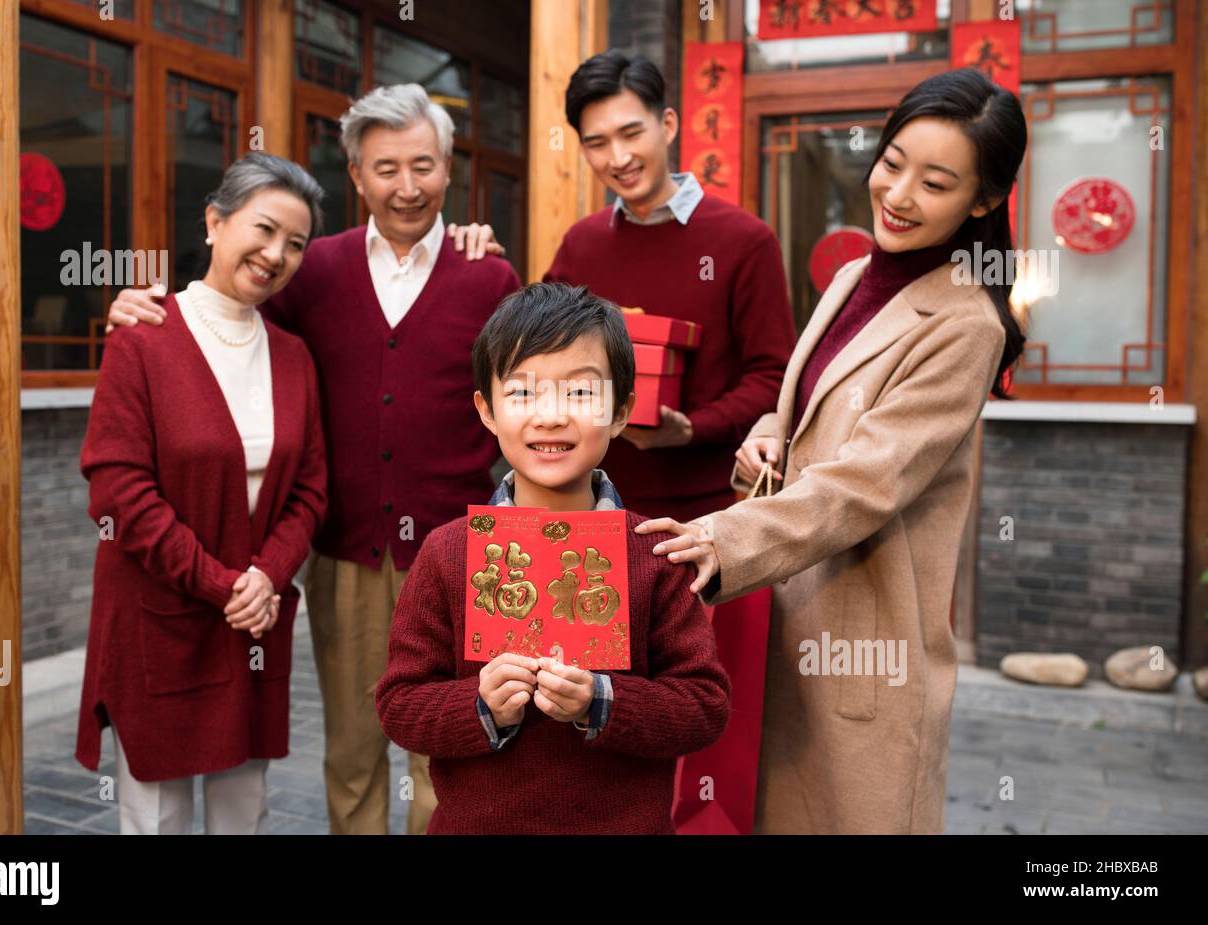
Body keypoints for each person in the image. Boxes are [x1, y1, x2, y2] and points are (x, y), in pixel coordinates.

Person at [106, 84, 518, 834]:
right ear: (355, 176)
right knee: (354, 749)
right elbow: (225, 312)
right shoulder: (310, 268)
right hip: (346, 550)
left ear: (449, 170)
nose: (406, 185)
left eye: (422, 165)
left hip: (462, 549)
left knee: (450, 747)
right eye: (384, 167)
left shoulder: (488, 275)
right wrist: (141, 305)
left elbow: (518, 394)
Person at [639, 68, 1029, 833]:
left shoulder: (964, 325)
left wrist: (721, 536)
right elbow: (803, 410)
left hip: (864, 648)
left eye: (937, 182)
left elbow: (864, 483)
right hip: (785, 624)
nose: (899, 194)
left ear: (982, 201)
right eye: (893, 162)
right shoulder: (854, 275)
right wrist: (764, 439)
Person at [376, 282, 731, 833]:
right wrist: (481, 704)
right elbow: (400, 703)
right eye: (521, 393)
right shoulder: (449, 551)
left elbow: (704, 706)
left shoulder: (654, 554)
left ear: (621, 413)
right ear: (487, 410)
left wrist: (603, 700)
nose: (550, 416)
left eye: (581, 394)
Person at [76, 153, 329, 834]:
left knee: (244, 808)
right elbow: (118, 489)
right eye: (265, 228)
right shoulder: (144, 340)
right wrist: (224, 584)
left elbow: (309, 489)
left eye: (296, 244)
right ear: (215, 222)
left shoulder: (293, 356)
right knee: (154, 814)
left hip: (250, 620)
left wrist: (267, 578)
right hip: (162, 612)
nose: (276, 254)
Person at [545, 51, 796, 523]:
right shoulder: (582, 244)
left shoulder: (745, 240)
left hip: (706, 512)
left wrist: (691, 430)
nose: (618, 158)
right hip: (591, 504)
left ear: (668, 124)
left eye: (632, 133)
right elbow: (540, 353)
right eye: (597, 143)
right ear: (582, 150)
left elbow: (773, 377)